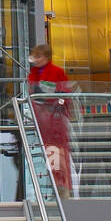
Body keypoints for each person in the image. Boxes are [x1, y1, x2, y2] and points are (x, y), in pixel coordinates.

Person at [28, 43, 74, 196]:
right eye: (35, 56)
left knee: (55, 154)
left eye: (38, 56)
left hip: (54, 122)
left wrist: (56, 101)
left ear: (46, 57)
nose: (36, 59)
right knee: (47, 153)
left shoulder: (57, 72)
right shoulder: (33, 73)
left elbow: (65, 95)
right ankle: (51, 186)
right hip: (40, 121)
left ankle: (60, 186)